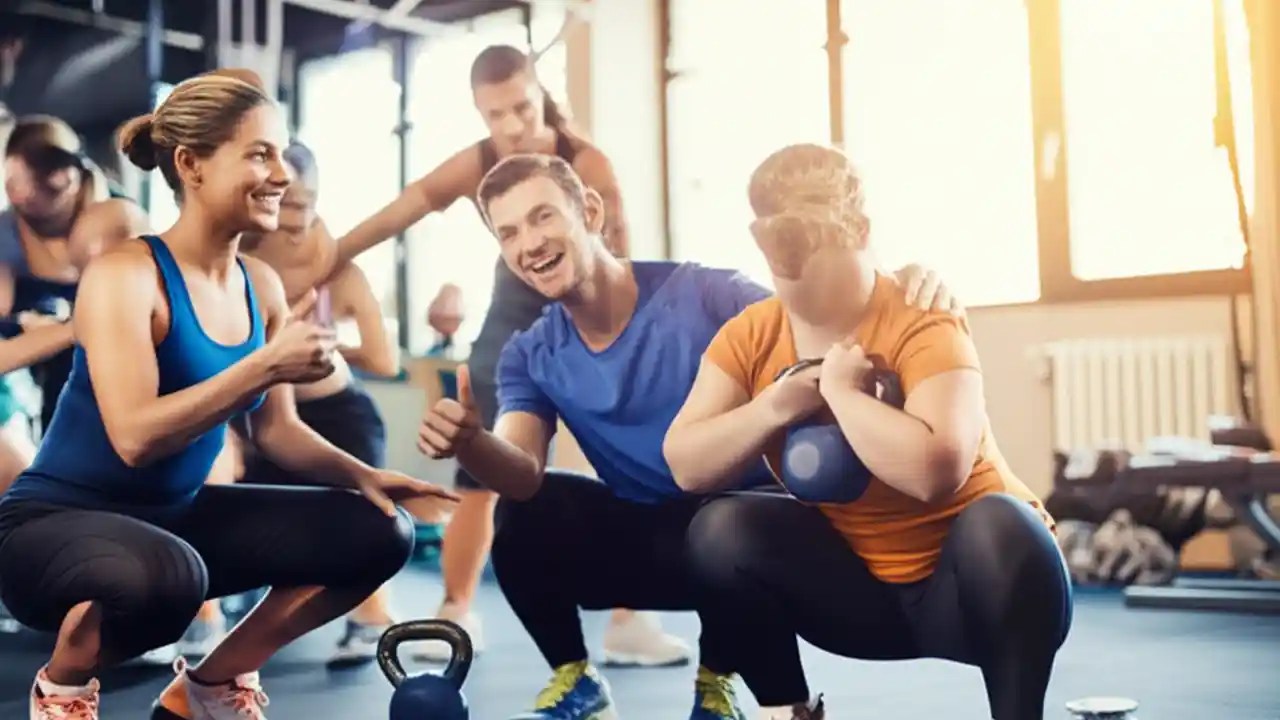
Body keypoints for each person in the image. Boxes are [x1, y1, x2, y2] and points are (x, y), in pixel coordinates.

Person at [416, 153, 957, 719]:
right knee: (526, 514)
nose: (530, 242)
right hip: (649, 538)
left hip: (749, 536)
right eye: (508, 232)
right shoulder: (531, 353)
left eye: (543, 217)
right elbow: (522, 471)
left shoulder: (708, 294)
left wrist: (900, 283)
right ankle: (576, 683)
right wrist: (471, 441)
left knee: (721, 525)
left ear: (591, 212)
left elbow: (825, 312)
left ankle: (723, 685)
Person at [0, 69, 457, 720]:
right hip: (50, 527)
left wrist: (366, 475)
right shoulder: (125, 274)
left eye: (284, 154)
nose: (283, 175)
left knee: (380, 531)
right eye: (260, 154)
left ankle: (210, 687)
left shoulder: (260, 285)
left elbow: (276, 432)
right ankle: (64, 687)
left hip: (172, 519)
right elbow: (134, 437)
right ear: (191, 165)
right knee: (171, 577)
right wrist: (264, 365)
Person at [665, 144, 1072, 720]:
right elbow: (684, 461)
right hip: (857, 599)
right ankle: (788, 712)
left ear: (857, 228)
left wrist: (840, 394)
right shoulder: (752, 333)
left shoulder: (921, 313)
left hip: (973, 594)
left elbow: (936, 472)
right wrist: (776, 405)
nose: (793, 273)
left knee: (1003, 524)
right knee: (721, 528)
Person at [324, 43, 691, 666]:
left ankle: (629, 621)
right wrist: (324, 258)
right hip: (512, 324)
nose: (510, 125)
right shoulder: (479, 161)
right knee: (479, 472)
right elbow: (405, 208)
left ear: (538, 92)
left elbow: (622, 249)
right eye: (493, 114)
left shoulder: (586, 161)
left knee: (620, 465)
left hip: (584, 319)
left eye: (519, 108)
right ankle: (456, 611)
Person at [232, 139, 418, 666]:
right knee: (248, 517)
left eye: (306, 198)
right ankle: (206, 621)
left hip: (339, 413)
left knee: (366, 519)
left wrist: (327, 348)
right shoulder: (240, 255)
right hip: (257, 413)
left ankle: (371, 619)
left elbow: (383, 361)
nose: (298, 211)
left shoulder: (336, 266)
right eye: (287, 198)